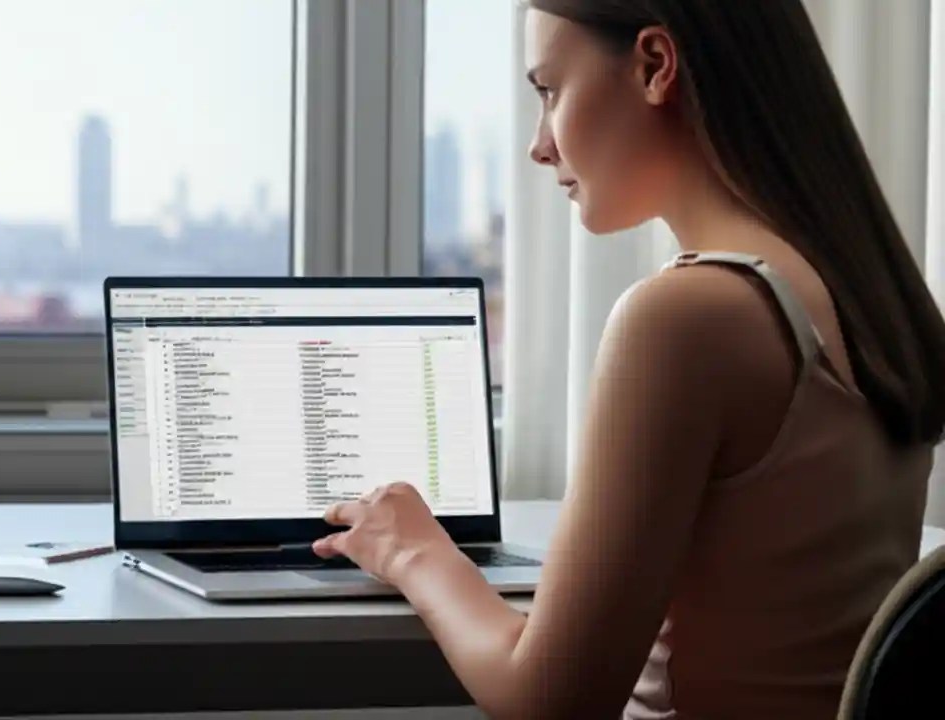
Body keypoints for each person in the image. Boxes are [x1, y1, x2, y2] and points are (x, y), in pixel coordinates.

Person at [312, 1, 945, 717]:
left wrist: (413, 552)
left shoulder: (685, 318)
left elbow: (549, 700)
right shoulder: (868, 298)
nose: (539, 145)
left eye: (550, 90)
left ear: (654, 65)